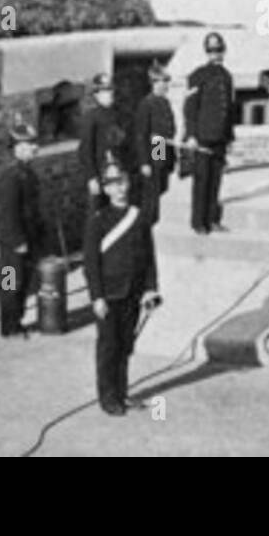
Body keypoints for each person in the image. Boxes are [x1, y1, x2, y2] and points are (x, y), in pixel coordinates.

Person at [83, 162, 162, 416]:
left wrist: (151, 288)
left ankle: (122, 391)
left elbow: (149, 257)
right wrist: (96, 297)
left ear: (128, 184)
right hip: (109, 293)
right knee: (108, 347)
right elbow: (91, 264)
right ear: (105, 190)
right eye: (112, 185)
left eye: (122, 183)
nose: (118, 189)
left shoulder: (139, 218)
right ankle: (108, 397)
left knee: (126, 345)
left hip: (133, 292)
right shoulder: (98, 222)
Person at [0, 120, 46, 338]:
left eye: (33, 144)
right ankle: (8, 327)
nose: (33, 149)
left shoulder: (28, 174)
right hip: (13, 244)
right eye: (27, 146)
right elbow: (8, 213)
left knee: (24, 282)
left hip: (27, 240)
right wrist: (17, 241)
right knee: (10, 284)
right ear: (16, 149)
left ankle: (16, 321)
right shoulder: (11, 177)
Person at [184, 32, 235, 234]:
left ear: (224, 50)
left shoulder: (227, 76)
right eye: (211, 50)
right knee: (202, 180)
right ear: (206, 52)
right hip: (202, 137)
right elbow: (190, 107)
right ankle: (198, 223)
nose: (215, 53)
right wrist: (191, 135)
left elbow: (229, 109)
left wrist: (229, 137)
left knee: (216, 180)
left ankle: (212, 219)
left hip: (220, 137)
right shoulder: (198, 75)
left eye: (218, 49)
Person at [133, 62, 177, 229]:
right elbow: (141, 135)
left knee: (163, 187)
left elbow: (170, 128)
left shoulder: (164, 102)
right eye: (162, 81)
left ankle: (158, 225)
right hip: (156, 148)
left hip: (165, 146)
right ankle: (148, 226)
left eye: (166, 81)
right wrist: (145, 162)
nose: (165, 85)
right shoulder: (147, 104)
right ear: (154, 83)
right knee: (153, 191)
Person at [78, 73, 126, 214]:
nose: (110, 94)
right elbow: (85, 150)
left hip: (119, 171)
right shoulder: (91, 117)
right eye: (105, 91)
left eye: (111, 90)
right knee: (99, 213)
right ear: (96, 95)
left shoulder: (117, 114)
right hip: (101, 173)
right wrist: (92, 176)